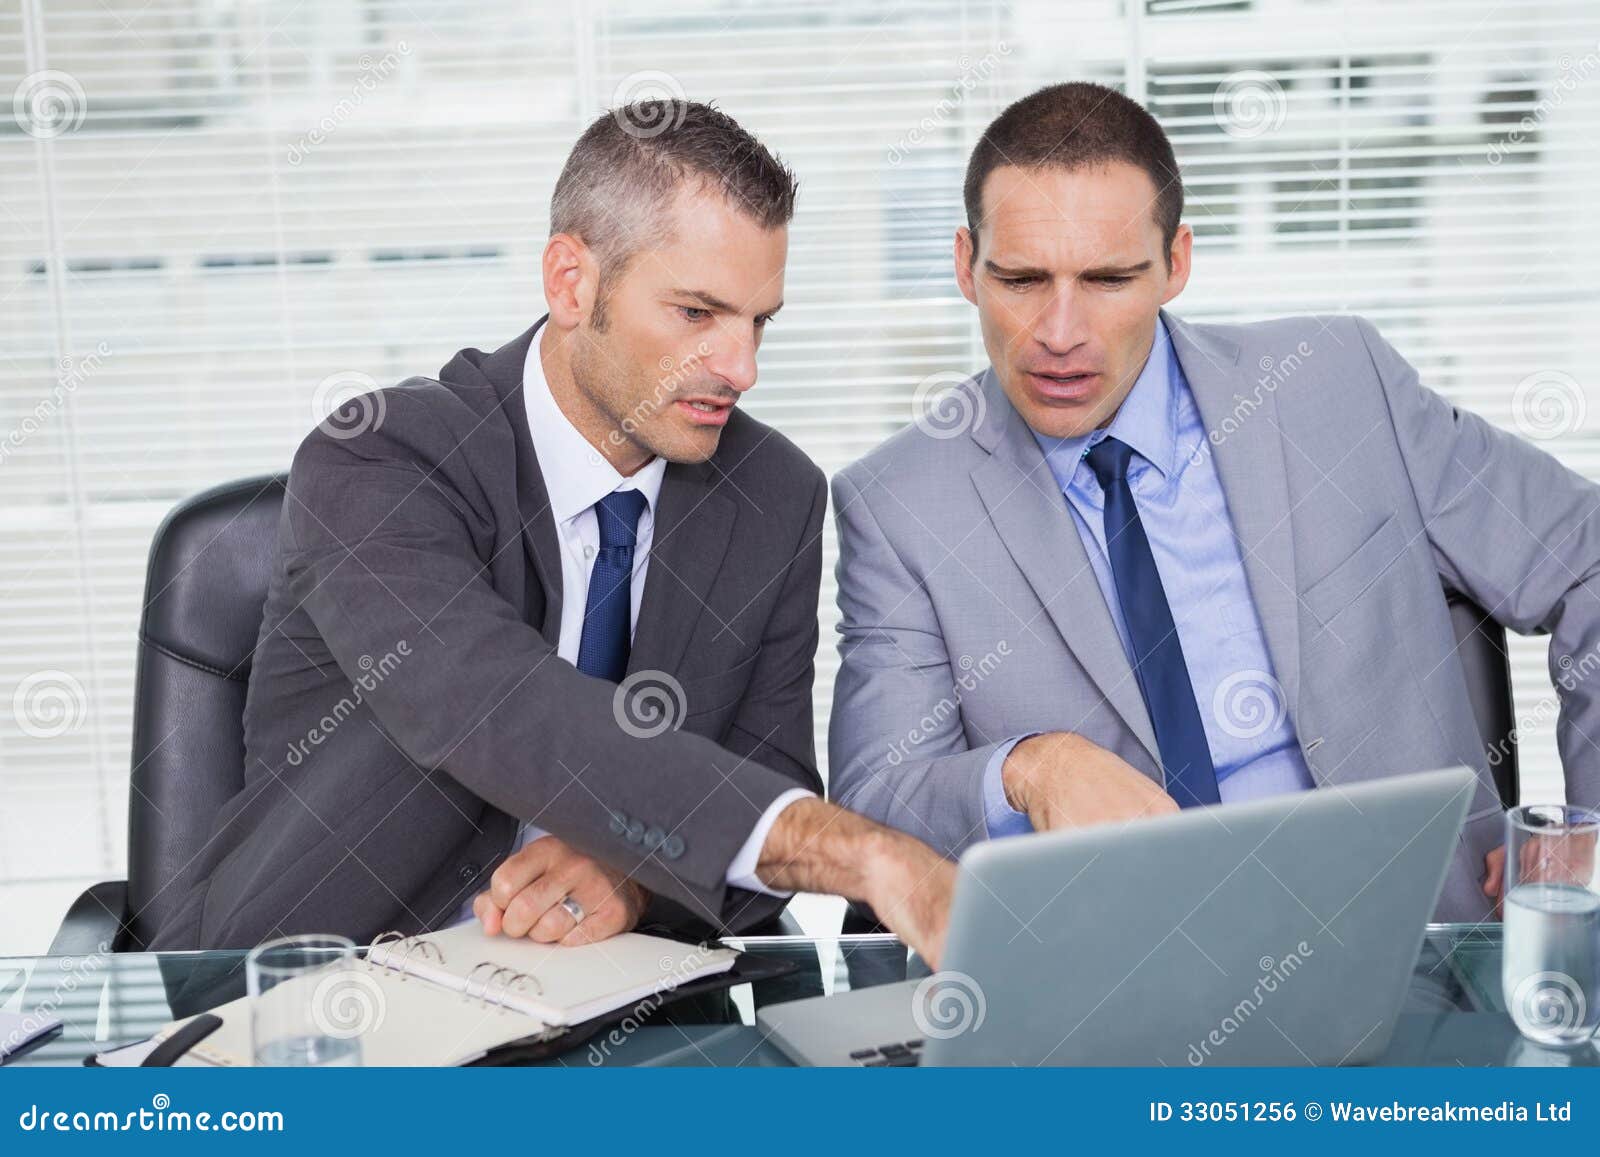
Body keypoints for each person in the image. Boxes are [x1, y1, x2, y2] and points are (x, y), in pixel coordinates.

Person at [149, 100, 953, 964]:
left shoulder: (773, 494)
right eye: (696, 313)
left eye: (760, 321)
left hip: (614, 999)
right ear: (572, 283)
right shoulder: (380, 459)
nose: (742, 368)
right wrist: (861, 853)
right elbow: (502, 707)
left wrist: (635, 874)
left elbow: (772, 772)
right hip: (327, 986)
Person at [828, 81, 1600, 923]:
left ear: (1176, 263)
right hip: (1121, 976)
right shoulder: (899, 505)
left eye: (1108, 278)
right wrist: (1030, 768)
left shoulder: (1340, 383)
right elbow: (874, 798)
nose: (1059, 333)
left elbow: (1586, 558)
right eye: (1020, 279)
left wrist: (1589, 827)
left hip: (1417, 939)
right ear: (965, 266)